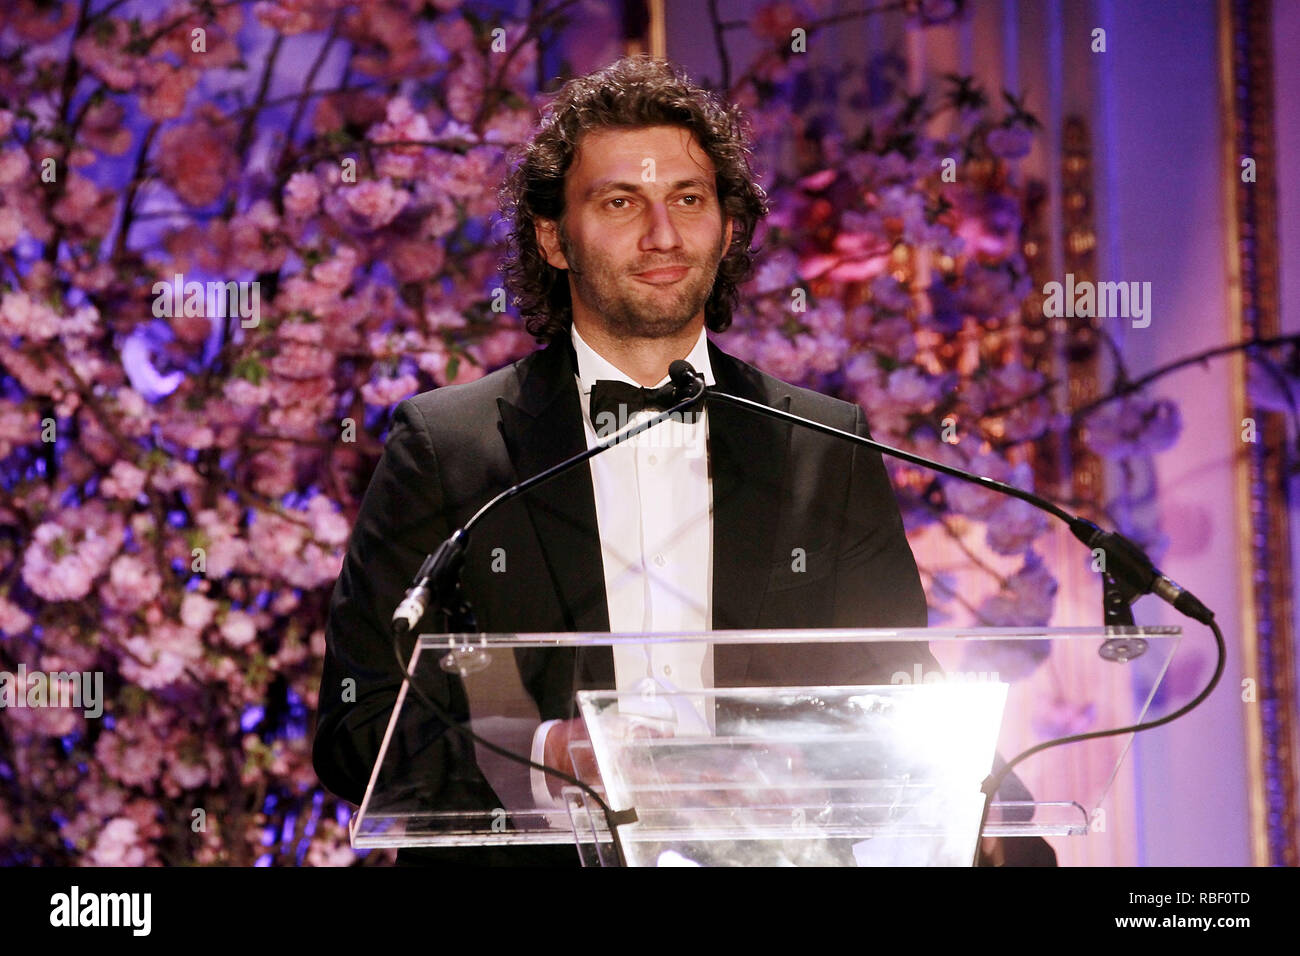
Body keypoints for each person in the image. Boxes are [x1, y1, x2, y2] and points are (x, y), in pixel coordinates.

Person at [312, 56, 1053, 867]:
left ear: (728, 227)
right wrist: (551, 756)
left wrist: (1001, 824)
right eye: (621, 201)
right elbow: (359, 724)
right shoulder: (446, 447)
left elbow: (898, 688)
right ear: (554, 238)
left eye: (688, 200)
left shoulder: (822, 444)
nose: (662, 234)